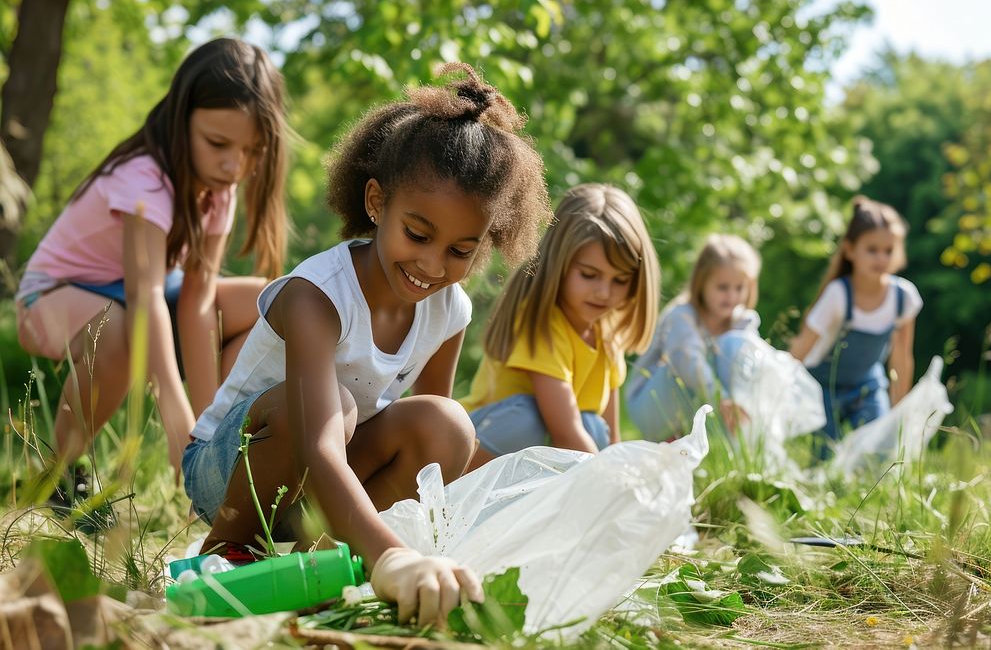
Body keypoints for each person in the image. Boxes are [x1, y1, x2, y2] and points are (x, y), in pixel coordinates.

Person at [182, 63, 550, 626]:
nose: (432, 264)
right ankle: (229, 554)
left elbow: (435, 457)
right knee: (340, 406)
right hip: (234, 466)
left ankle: (322, 564)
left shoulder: (449, 311)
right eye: (418, 234)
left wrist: (535, 494)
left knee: (448, 422)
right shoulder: (316, 297)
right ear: (377, 204)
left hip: (330, 479)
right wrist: (395, 555)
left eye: (460, 251)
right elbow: (317, 444)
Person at [16, 38, 288, 477]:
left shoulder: (219, 188)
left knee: (271, 303)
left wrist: (205, 432)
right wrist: (176, 418)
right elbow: (146, 298)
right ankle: (58, 474)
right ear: (181, 120)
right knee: (117, 329)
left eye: (251, 152)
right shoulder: (144, 178)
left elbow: (199, 303)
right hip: (52, 298)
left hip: (149, 298)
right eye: (217, 143)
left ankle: (231, 453)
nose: (232, 167)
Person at [461, 184, 659, 468]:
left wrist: (622, 479)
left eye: (620, 280)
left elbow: (610, 438)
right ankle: (454, 494)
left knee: (594, 429)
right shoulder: (541, 323)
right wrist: (606, 483)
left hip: (531, 462)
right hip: (474, 447)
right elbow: (566, 433)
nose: (604, 292)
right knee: (531, 417)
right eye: (590, 275)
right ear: (559, 263)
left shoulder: (608, 335)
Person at [790, 196, 922, 454]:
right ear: (850, 250)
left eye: (888, 250)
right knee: (825, 456)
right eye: (872, 249)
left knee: (877, 456)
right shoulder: (838, 294)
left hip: (867, 385)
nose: (881, 258)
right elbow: (802, 348)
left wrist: (899, 411)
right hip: (822, 387)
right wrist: (778, 389)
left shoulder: (903, 297)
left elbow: (901, 358)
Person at [626, 234, 762, 441]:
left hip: (703, 403)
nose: (732, 296)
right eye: (723, 287)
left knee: (740, 346)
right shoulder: (682, 315)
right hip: (652, 404)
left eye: (739, 288)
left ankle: (738, 441)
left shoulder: (740, 322)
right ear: (701, 282)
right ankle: (671, 441)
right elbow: (689, 364)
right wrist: (722, 398)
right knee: (691, 363)